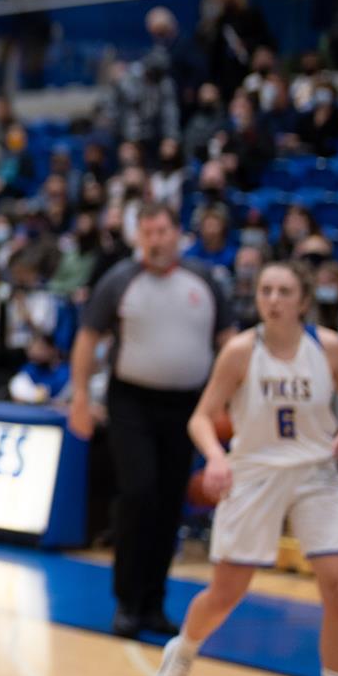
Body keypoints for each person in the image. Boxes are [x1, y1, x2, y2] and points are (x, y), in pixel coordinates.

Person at [150, 261, 338, 676]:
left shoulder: (328, 346)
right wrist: (214, 458)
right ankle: (183, 651)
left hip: (315, 472)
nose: (273, 299)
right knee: (227, 593)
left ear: (303, 300)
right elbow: (201, 419)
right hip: (254, 473)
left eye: (284, 291)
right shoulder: (239, 351)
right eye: (266, 290)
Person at [68, 202, 234, 638]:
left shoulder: (204, 281)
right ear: (138, 236)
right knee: (138, 492)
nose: (156, 240)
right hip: (132, 404)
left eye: (163, 231)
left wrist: (228, 402)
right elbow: (87, 338)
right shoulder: (120, 280)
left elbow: (229, 344)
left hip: (186, 408)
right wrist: (80, 397)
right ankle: (126, 602)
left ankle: (154, 603)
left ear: (178, 233)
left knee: (167, 502)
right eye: (148, 233)